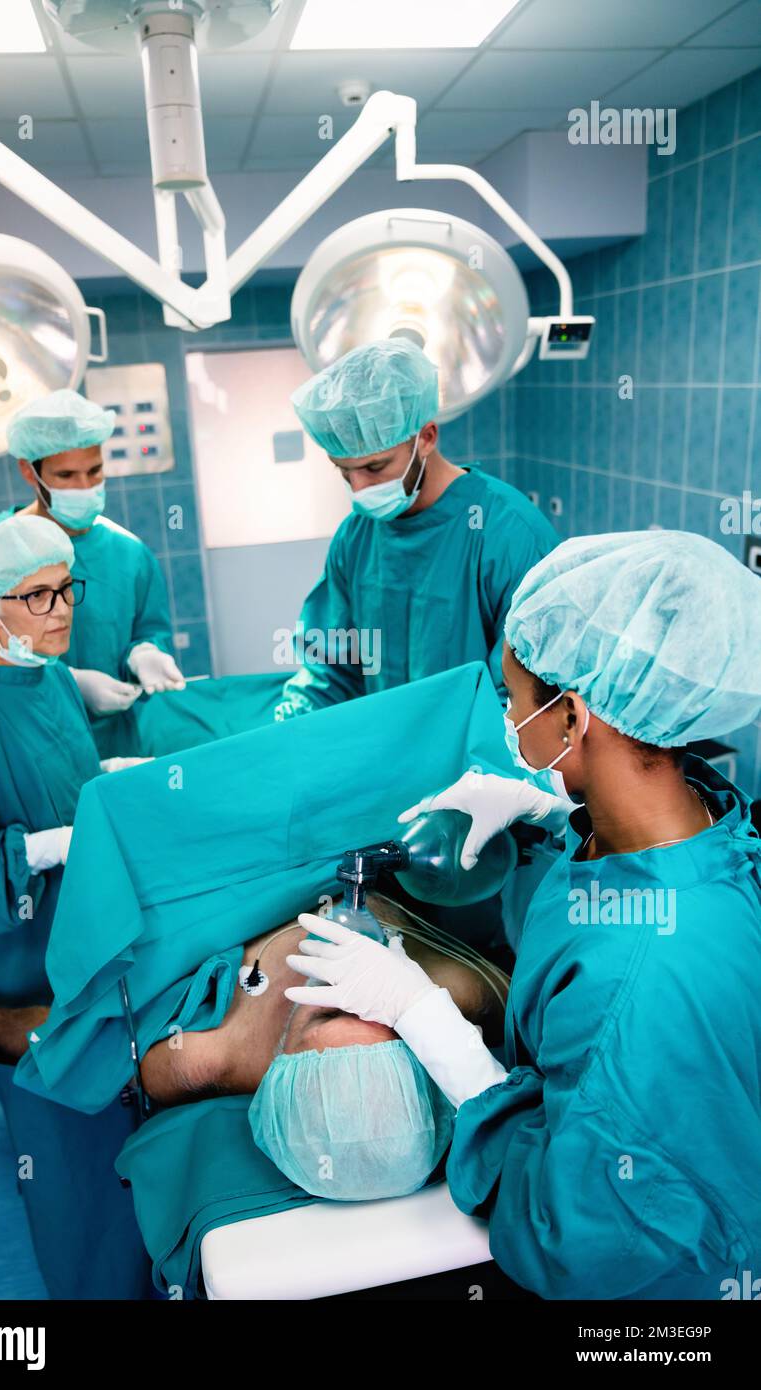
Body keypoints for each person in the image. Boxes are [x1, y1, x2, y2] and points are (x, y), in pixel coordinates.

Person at [286, 530, 761, 1300]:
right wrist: (542, 808)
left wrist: (423, 1017)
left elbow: (572, 1237)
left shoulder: (634, 981)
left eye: (510, 699)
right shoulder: (707, 824)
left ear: (571, 718)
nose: (508, 720)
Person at [0, 512, 152, 1300]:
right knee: (63, 1128)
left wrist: (116, 774)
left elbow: (64, 772)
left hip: (87, 924)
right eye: (36, 597)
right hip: (23, 939)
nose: (60, 611)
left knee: (112, 1096)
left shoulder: (49, 675)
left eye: (64, 590)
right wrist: (45, 848)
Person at [0, 893, 508, 1204]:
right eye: (378, 1019)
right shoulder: (465, 995)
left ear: (280, 1069)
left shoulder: (203, 1059)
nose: (341, 994)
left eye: (324, 1013)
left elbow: (79, 1044)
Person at [275, 339, 557, 718]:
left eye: (375, 467)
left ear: (426, 437)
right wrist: (294, 730)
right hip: (388, 755)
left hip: (476, 767)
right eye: (344, 471)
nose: (359, 489)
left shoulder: (509, 533)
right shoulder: (356, 537)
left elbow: (529, 699)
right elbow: (333, 668)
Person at [0, 389, 184, 756]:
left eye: (94, 471)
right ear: (28, 471)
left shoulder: (129, 553)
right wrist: (67, 684)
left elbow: (150, 627)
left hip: (118, 739)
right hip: (27, 745)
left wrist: (144, 652)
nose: (85, 487)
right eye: (66, 474)